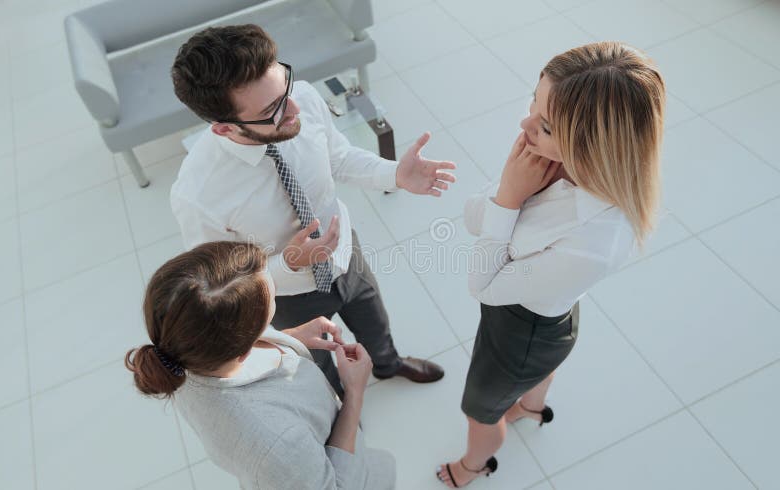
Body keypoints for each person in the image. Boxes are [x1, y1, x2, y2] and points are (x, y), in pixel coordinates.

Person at [170, 24, 452, 396]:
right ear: (224, 129)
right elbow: (224, 285)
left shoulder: (299, 97)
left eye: (284, 85)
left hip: (345, 254)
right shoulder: (197, 195)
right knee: (316, 360)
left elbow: (338, 157)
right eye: (272, 109)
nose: (295, 108)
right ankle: (339, 402)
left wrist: (393, 174)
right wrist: (289, 263)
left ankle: (387, 364)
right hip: (288, 296)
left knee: (375, 321)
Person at [437, 41, 665, 487]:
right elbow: (470, 216)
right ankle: (531, 407)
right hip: (552, 316)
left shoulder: (594, 239)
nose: (524, 126)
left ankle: (473, 466)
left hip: (524, 331)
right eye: (533, 104)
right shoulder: (549, 155)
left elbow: (483, 286)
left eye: (544, 125)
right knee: (541, 369)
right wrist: (513, 187)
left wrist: (508, 195)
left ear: (593, 145)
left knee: (480, 411)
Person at [125, 241, 395, 489]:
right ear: (242, 346)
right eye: (270, 305)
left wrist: (289, 338)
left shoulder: (179, 347)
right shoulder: (275, 445)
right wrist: (354, 392)